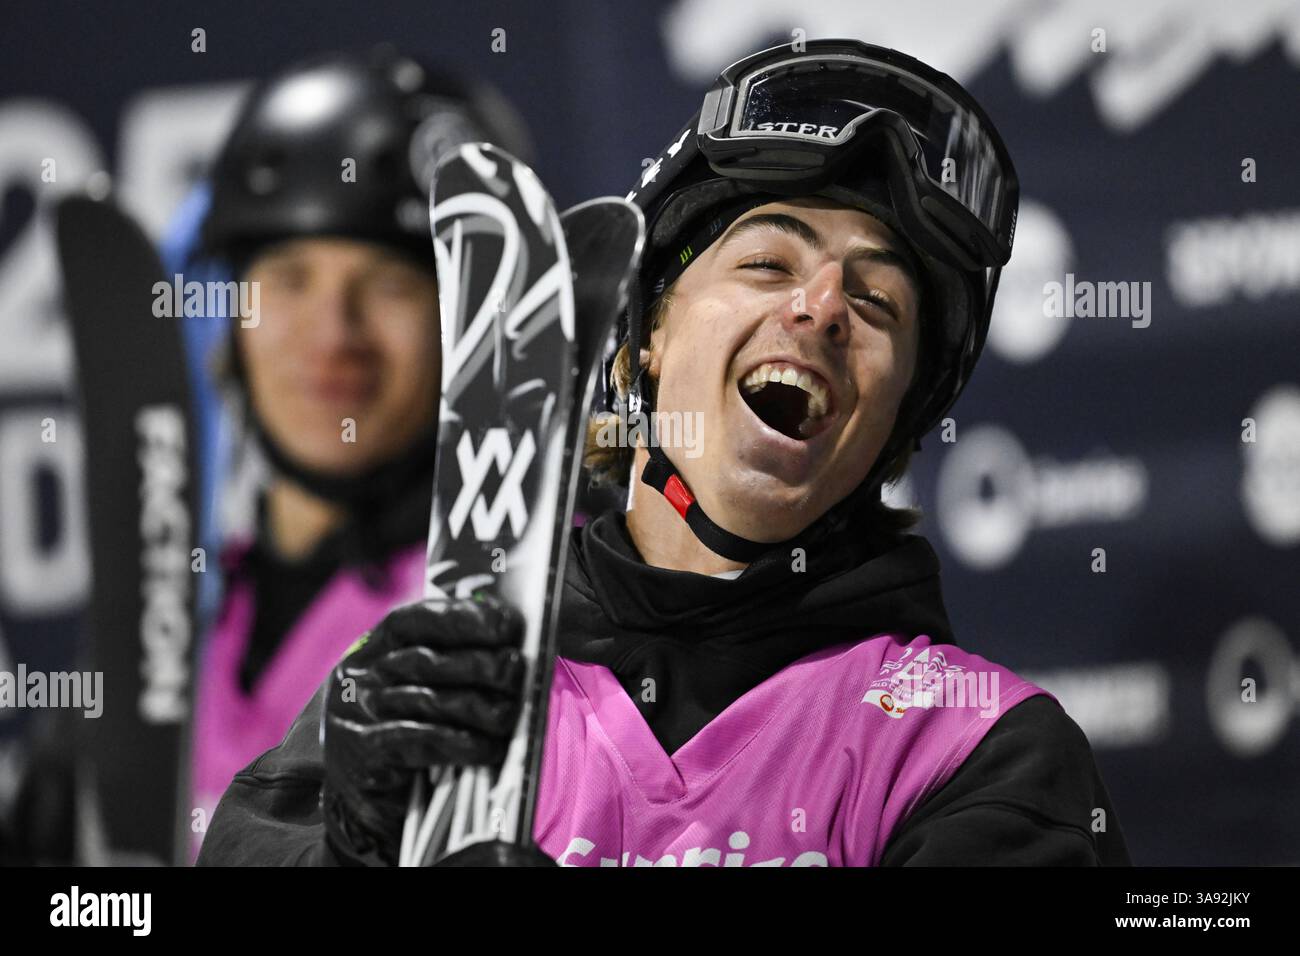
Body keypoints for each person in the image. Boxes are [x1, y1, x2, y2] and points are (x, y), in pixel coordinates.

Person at [198, 38, 1131, 867]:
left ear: (897, 419)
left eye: (879, 305)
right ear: (644, 334)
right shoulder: (430, 685)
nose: (821, 308)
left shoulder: (978, 752)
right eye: (767, 263)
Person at [187, 45, 530, 859]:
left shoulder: (525, 607)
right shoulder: (183, 619)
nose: (334, 337)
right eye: (291, 277)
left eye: (389, 284)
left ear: (474, 323)